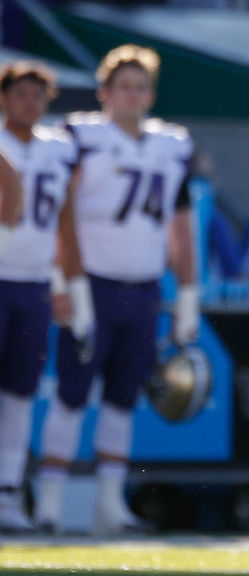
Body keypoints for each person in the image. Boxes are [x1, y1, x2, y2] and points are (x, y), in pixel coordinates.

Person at [34, 44, 198, 535]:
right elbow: (60, 216)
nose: (133, 95)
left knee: (124, 397)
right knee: (71, 392)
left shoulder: (172, 145)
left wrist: (187, 295)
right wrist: (66, 284)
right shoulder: (81, 137)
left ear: (151, 94)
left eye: (141, 86)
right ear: (104, 92)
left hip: (143, 287)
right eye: (124, 86)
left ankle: (110, 504)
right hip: (94, 284)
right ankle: (48, 504)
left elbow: (182, 228)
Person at [0, 61, 45, 533]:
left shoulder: (57, 148)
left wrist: (72, 288)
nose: (28, 103)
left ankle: (8, 492)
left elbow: (66, 218)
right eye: (20, 94)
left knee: (19, 394)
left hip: (31, 281)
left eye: (36, 95)